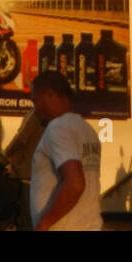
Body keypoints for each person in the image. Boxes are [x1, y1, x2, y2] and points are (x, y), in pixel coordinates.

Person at [29, 71, 103, 231]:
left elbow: (75, 183)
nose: (35, 109)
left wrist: (44, 224)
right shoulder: (87, 130)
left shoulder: (58, 127)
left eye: (35, 101)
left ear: (50, 95)